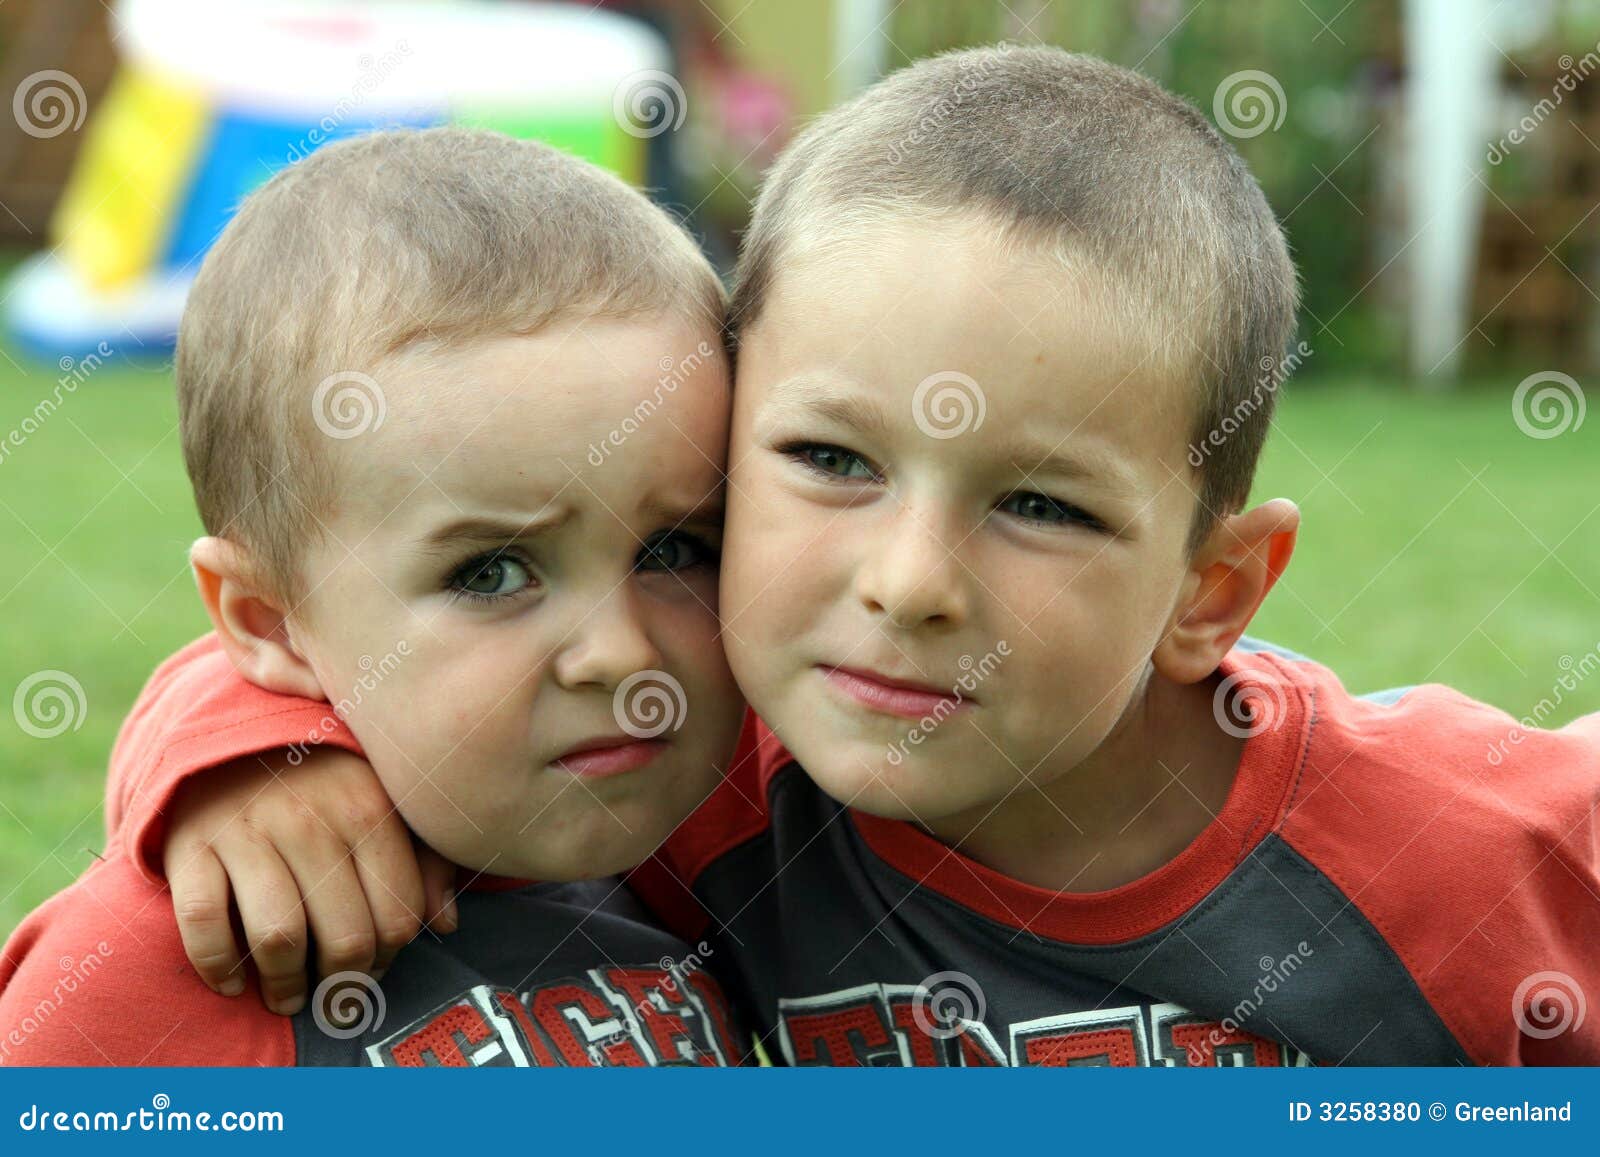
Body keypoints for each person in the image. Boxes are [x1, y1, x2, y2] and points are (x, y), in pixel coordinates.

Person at [50, 48, 1600, 1066]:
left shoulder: (1454, 851)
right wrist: (254, 750)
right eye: (831, 464)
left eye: (1043, 505)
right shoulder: (697, 754)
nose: (909, 581)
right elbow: (357, 620)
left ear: (1214, 591)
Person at [0, 127, 750, 1066]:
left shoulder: (724, 849)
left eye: (674, 547)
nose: (619, 652)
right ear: (269, 620)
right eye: (490, 572)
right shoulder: (181, 949)